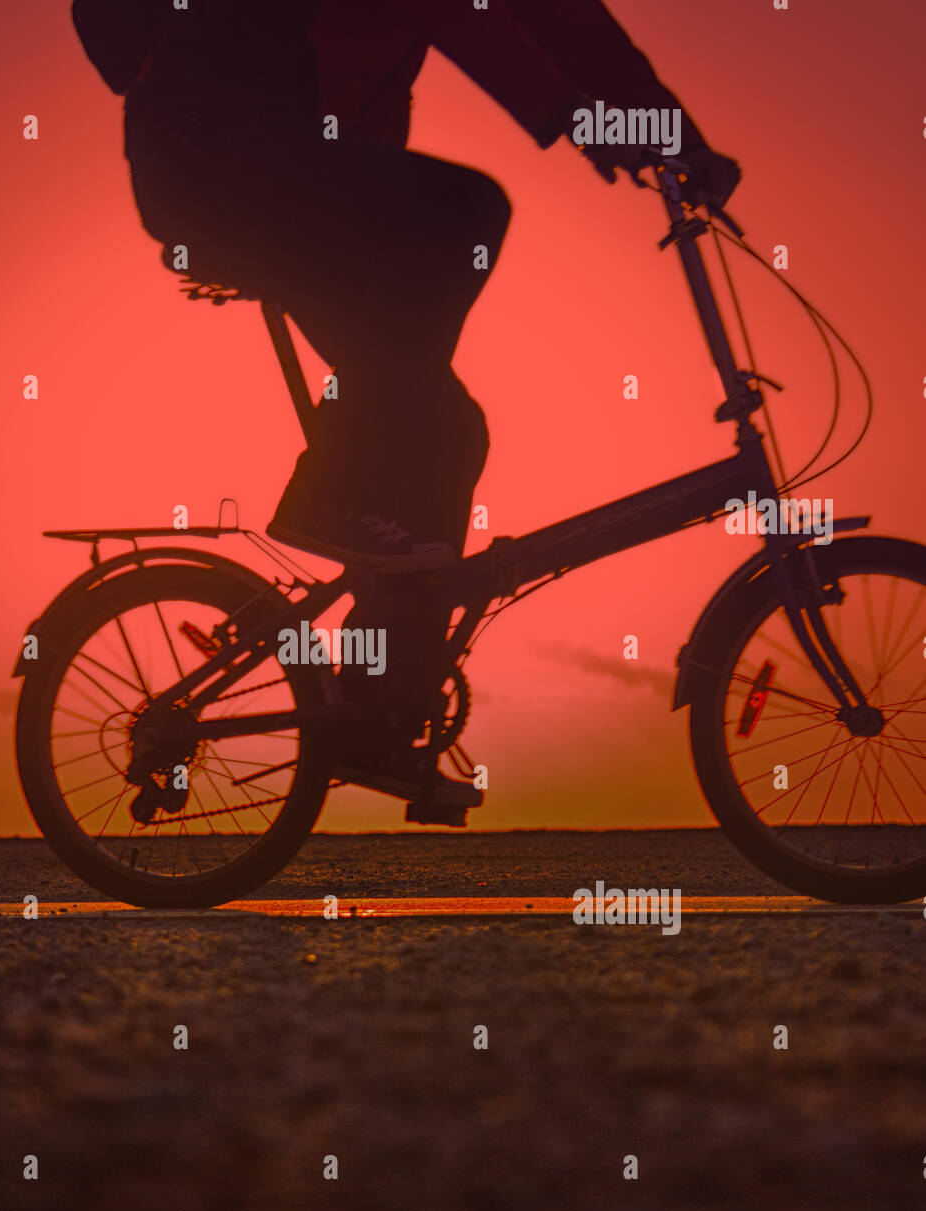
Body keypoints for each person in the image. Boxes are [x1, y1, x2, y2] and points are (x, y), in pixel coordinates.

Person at [71, 0, 741, 821]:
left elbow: (568, 25)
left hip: (301, 198)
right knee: (463, 212)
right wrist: (587, 118)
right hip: (220, 167)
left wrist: (676, 140)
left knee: (443, 428)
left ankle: (375, 718)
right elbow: (473, 20)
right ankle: (330, 492)